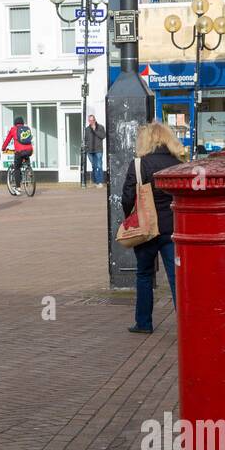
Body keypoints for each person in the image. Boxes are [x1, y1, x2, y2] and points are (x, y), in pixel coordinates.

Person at [120, 121, 186, 334]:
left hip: (147, 227)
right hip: (173, 227)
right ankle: (185, 324)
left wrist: (129, 216)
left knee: (144, 274)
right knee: (176, 276)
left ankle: (143, 323)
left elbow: (127, 197)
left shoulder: (139, 164)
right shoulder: (178, 163)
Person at [1, 116, 34, 193]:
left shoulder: (13, 129)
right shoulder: (27, 129)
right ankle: (29, 171)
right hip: (29, 150)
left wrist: (3, 148)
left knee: (17, 168)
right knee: (26, 159)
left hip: (19, 151)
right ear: (22, 122)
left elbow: (8, 140)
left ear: (15, 123)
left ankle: (18, 188)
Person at [83, 114, 106, 186]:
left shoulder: (100, 127)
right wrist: (86, 148)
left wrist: (94, 130)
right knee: (94, 166)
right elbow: (85, 139)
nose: (91, 122)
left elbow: (103, 136)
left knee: (99, 166)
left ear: (95, 120)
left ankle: (99, 182)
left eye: (92, 120)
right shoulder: (86, 129)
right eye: (90, 120)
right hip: (90, 151)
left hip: (98, 150)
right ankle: (96, 182)